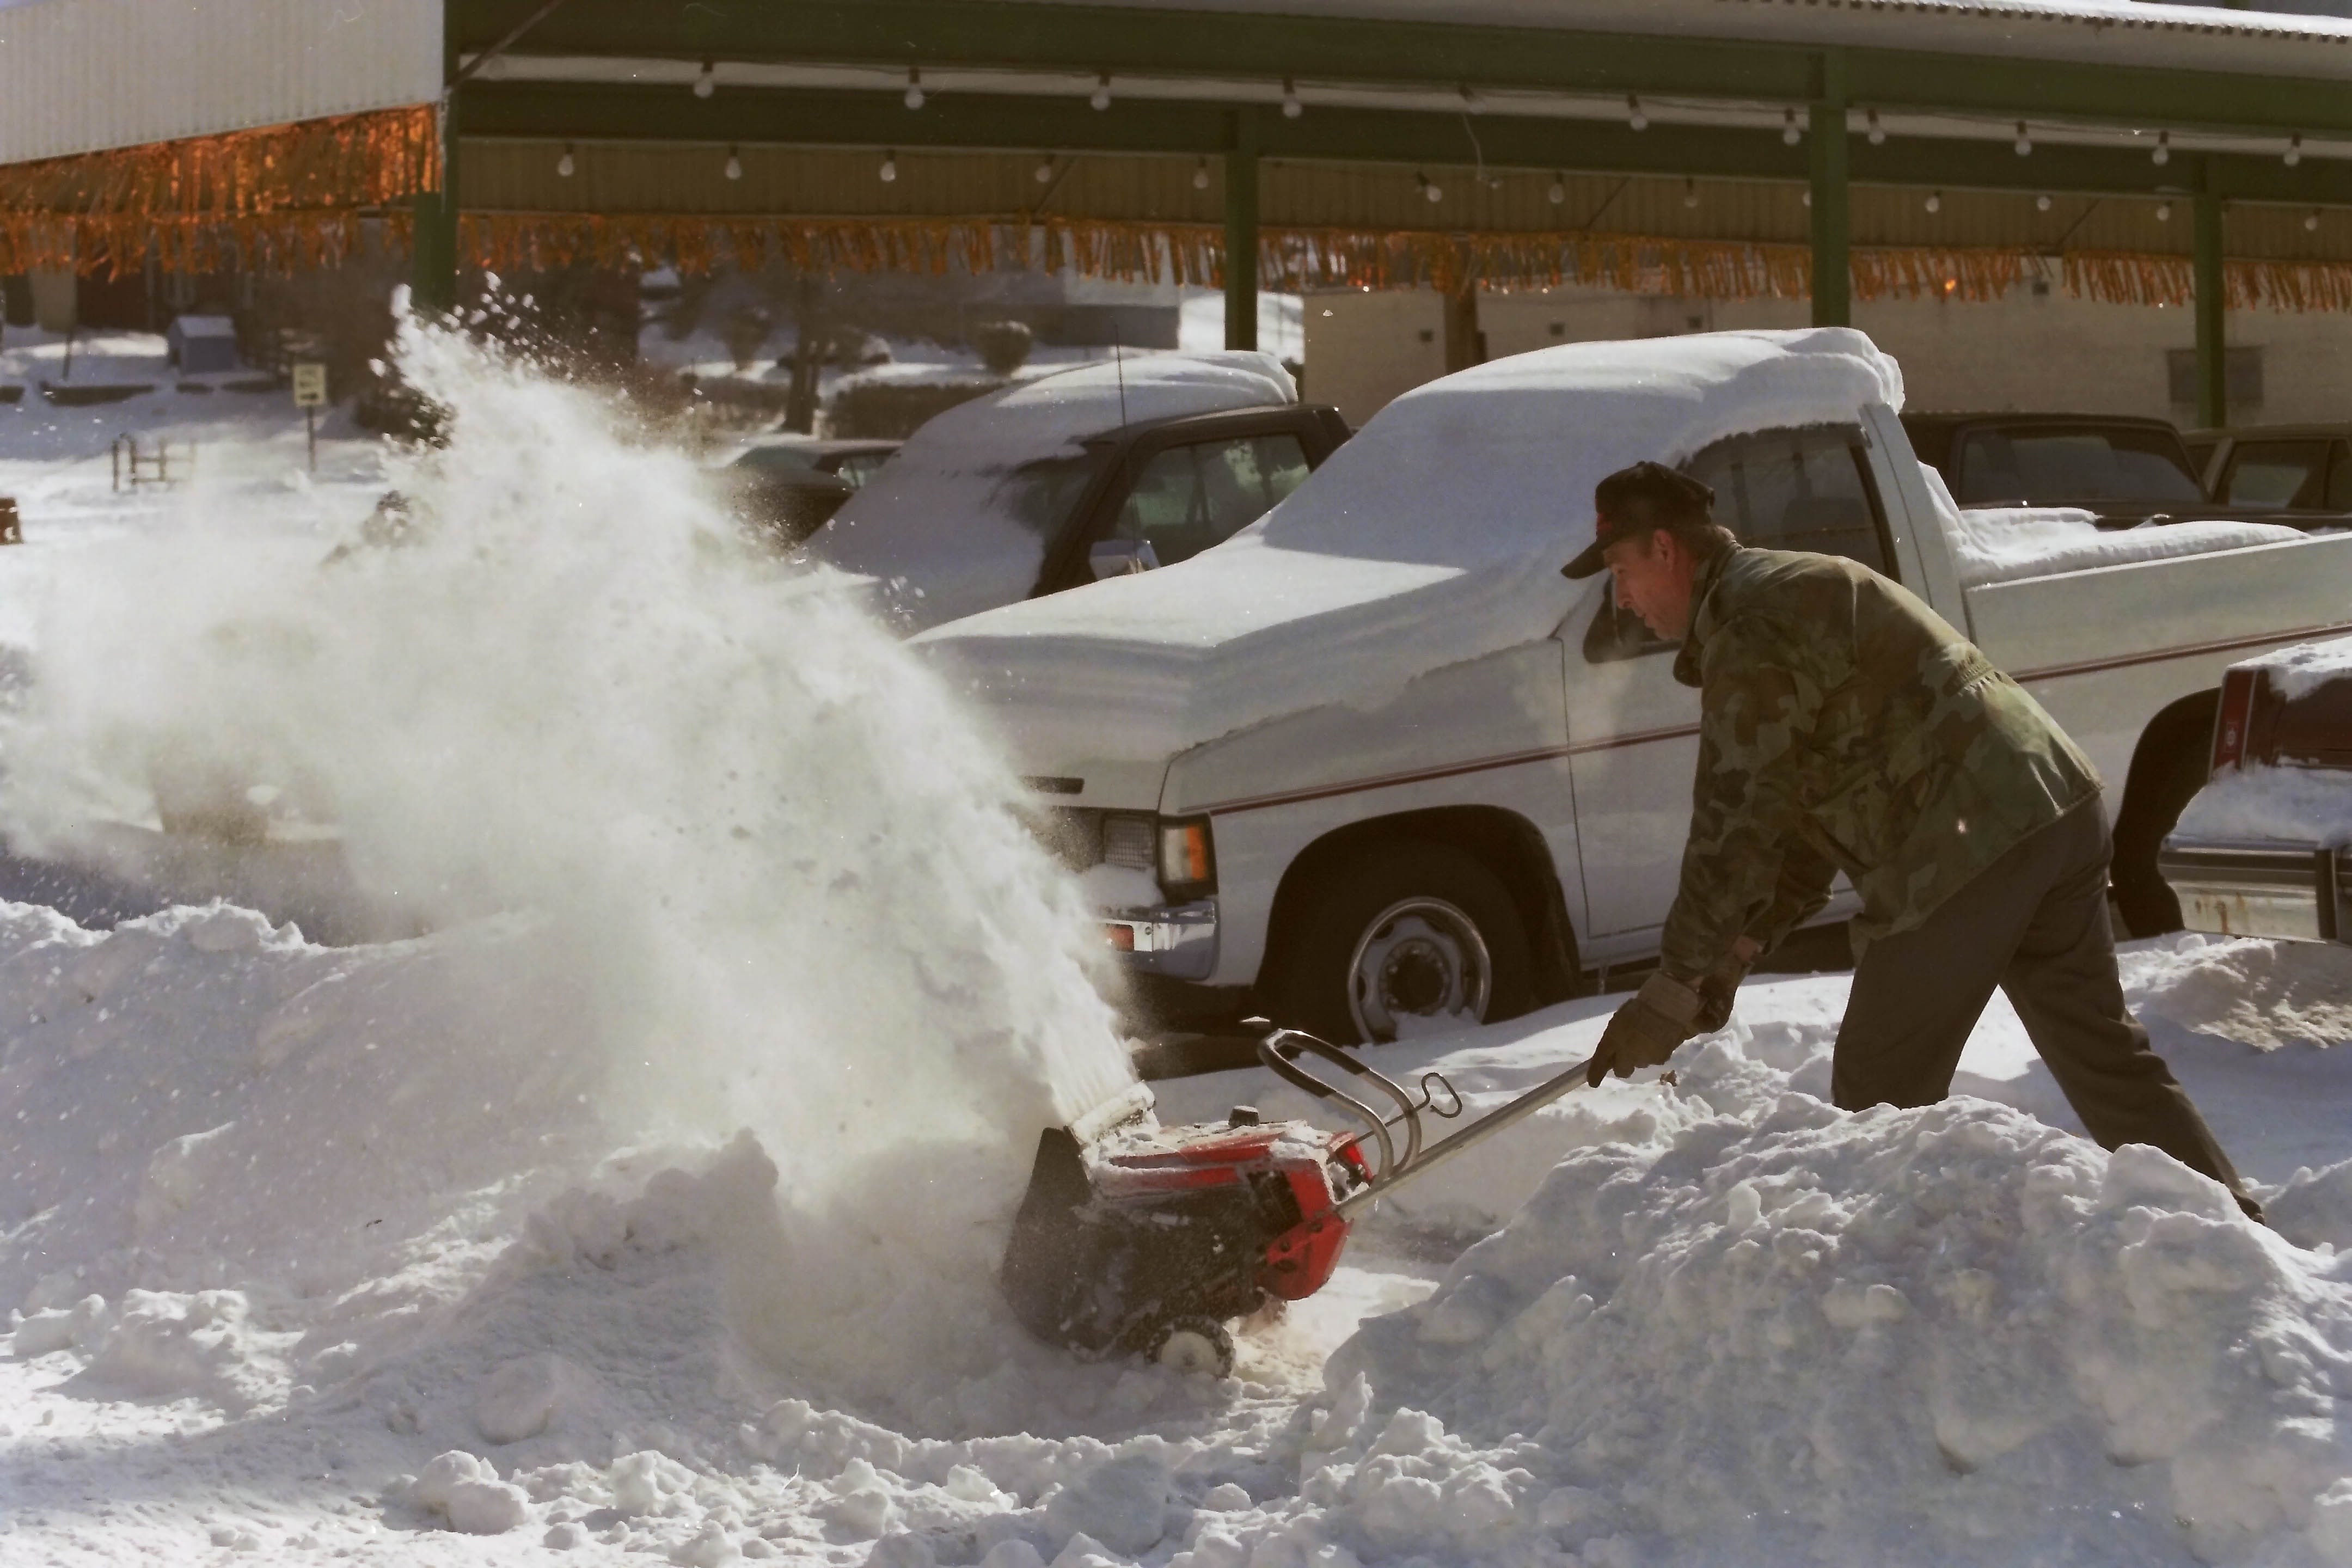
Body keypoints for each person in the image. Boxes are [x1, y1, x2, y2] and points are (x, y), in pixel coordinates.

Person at [1564, 461, 2258, 1220]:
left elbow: (1735, 821)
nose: (1623, 601)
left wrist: (1671, 986)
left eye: (1621, 572)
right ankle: (2229, 1231)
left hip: (1965, 844)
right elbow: (1797, 826)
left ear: (1666, 550)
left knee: (1877, 1085)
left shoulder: (1751, 624)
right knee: (2100, 1051)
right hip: (2052, 806)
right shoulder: (1780, 591)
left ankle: (1890, 1292)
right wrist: (1733, 953)